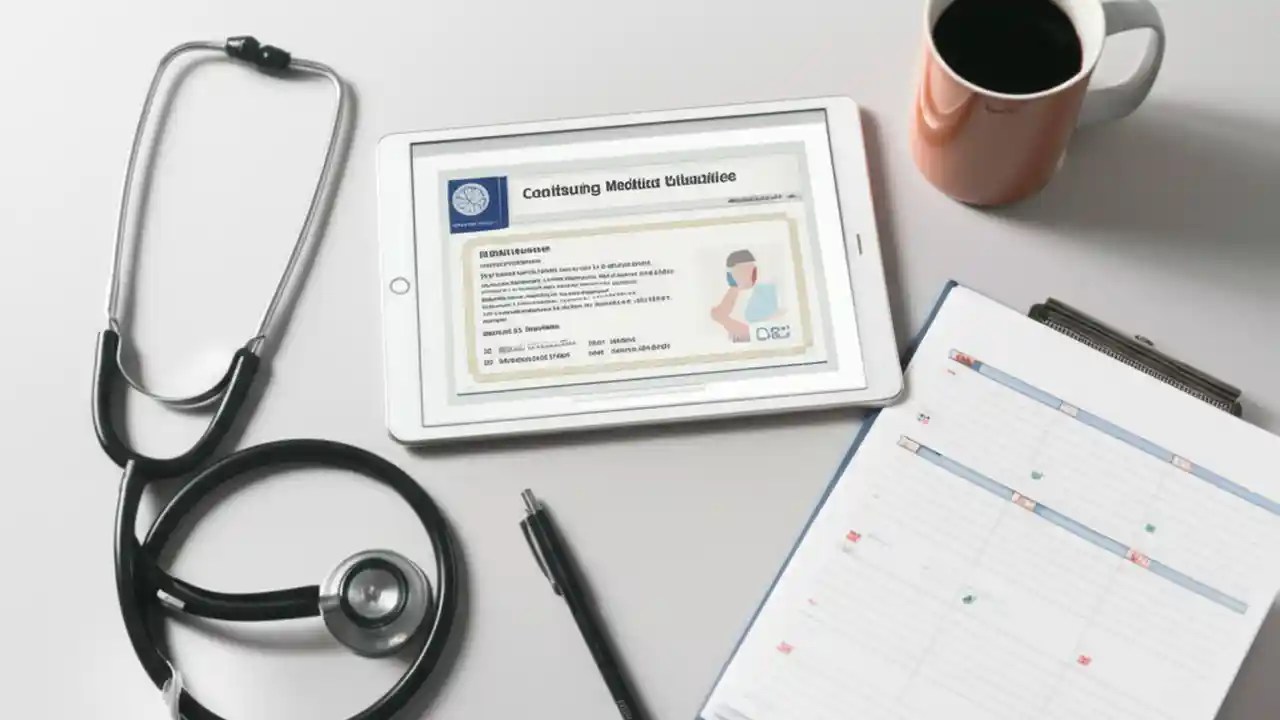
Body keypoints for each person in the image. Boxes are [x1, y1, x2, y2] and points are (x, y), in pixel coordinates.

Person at [710, 249, 781, 342]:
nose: (748, 274)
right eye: (742, 270)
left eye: (751, 269)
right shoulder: (734, 292)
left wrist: (724, 320)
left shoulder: (764, 292)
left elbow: (751, 333)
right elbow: (719, 313)